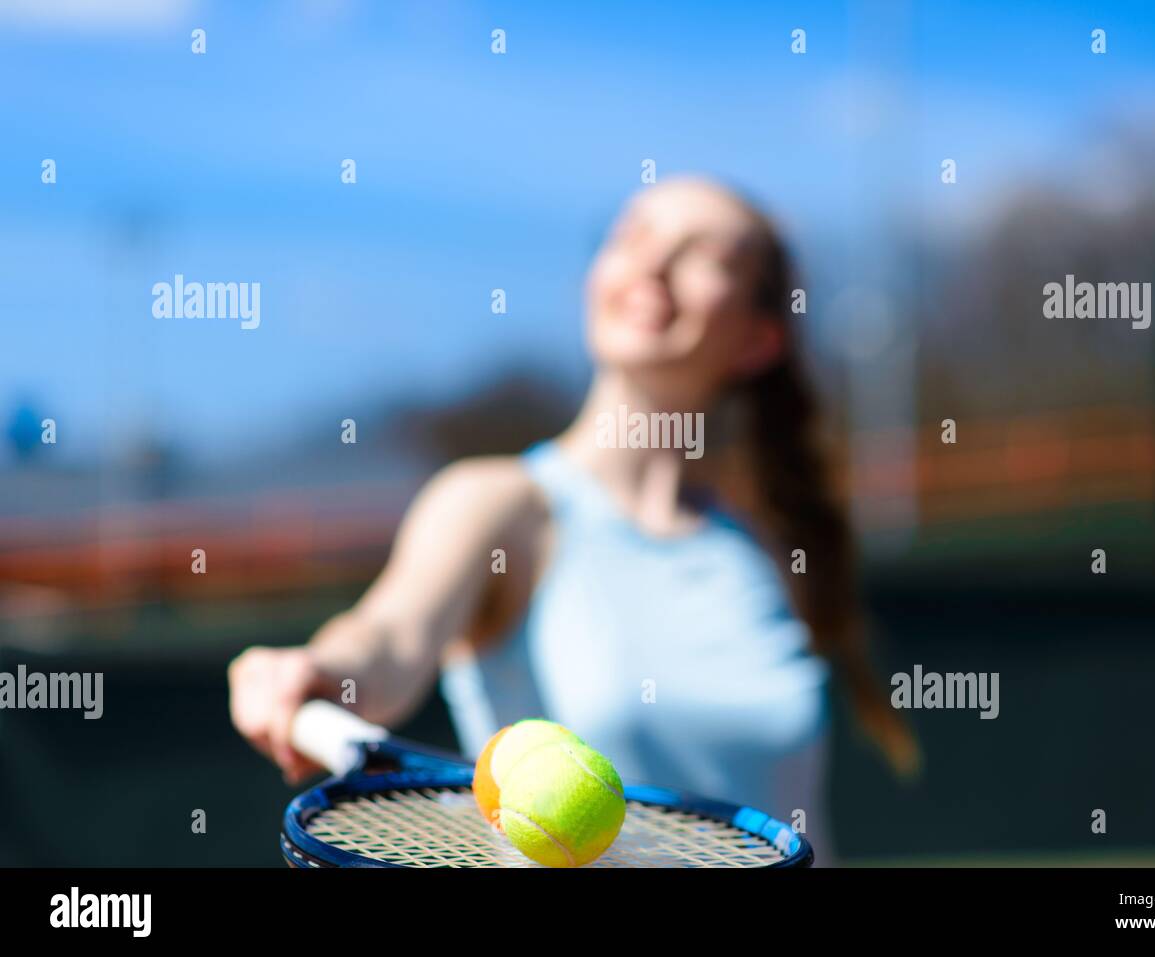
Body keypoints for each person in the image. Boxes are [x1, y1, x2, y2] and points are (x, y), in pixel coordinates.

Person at [228, 176, 918, 865]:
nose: (652, 263)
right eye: (634, 236)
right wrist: (321, 668)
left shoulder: (767, 551)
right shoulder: (497, 503)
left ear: (759, 338)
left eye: (702, 253)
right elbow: (388, 635)